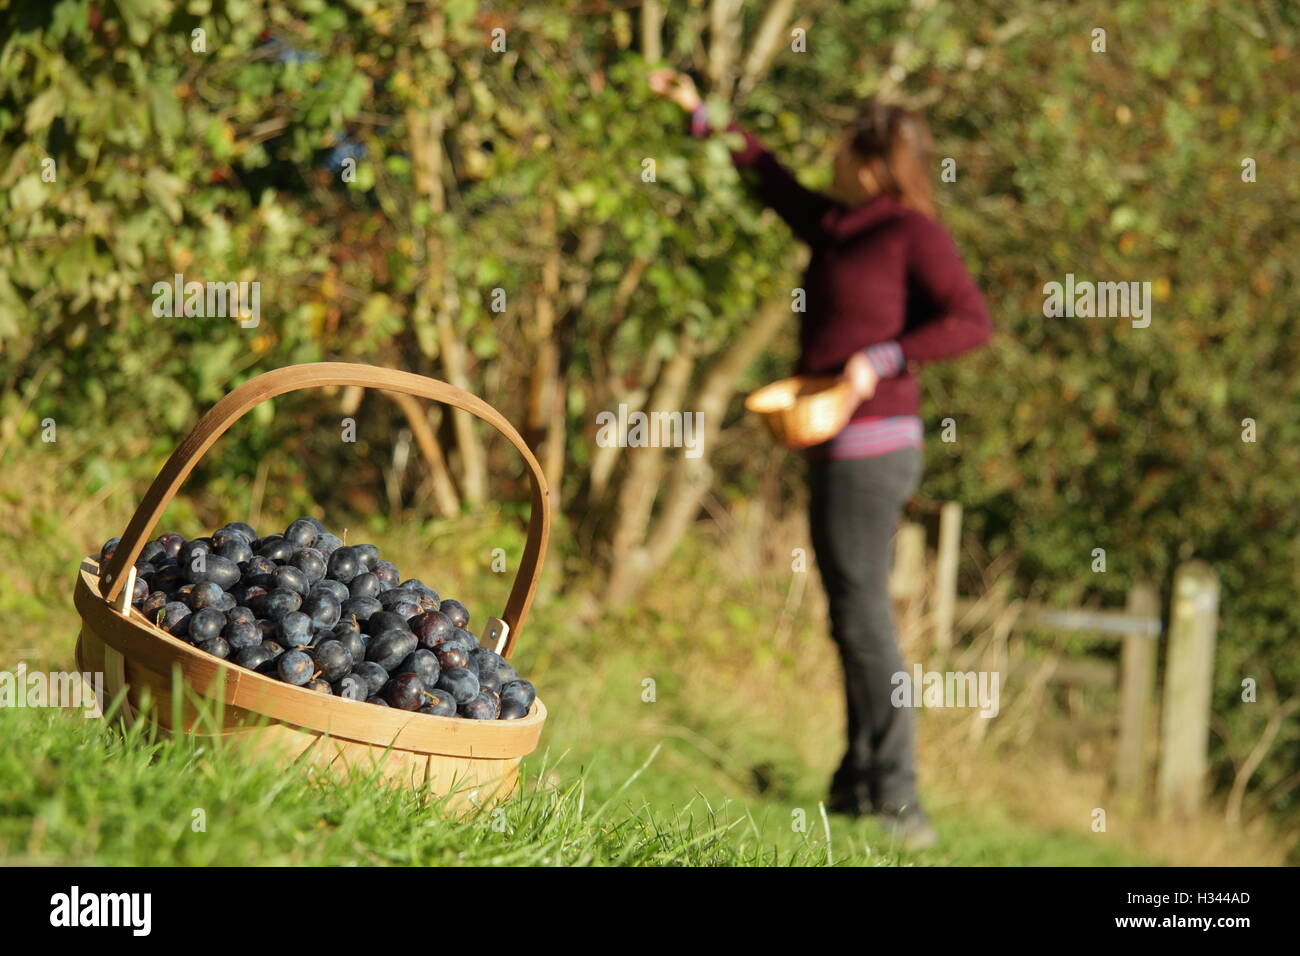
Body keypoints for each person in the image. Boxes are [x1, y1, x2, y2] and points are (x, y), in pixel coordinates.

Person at [650, 69, 991, 850]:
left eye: (844, 149)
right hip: (832, 443)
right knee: (850, 616)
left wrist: (884, 356)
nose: (832, 160)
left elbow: (971, 320)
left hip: (875, 449)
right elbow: (771, 182)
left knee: (866, 619)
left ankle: (902, 800)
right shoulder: (843, 225)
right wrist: (701, 114)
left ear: (874, 160)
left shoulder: (912, 233)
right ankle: (857, 780)